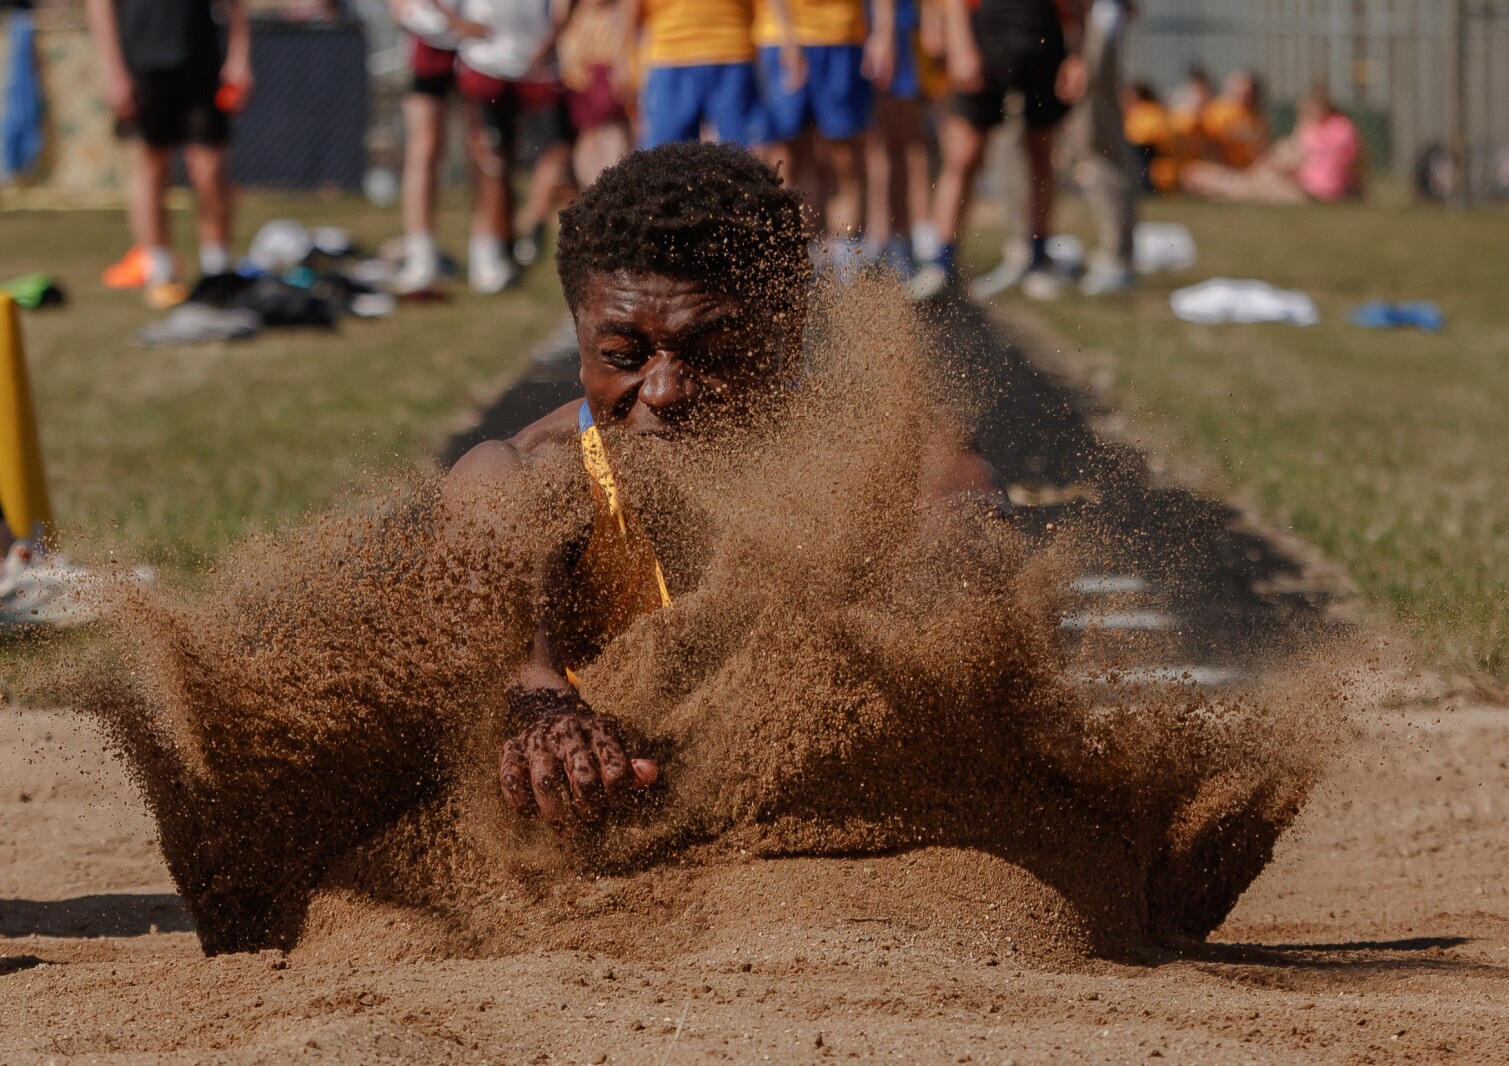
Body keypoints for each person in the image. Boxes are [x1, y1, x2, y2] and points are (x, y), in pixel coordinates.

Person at [441, 142, 1000, 830]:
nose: (665, 391)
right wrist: (544, 717)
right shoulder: (522, 477)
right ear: (582, 341)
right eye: (622, 357)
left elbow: (971, 576)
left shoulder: (899, 451)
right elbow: (510, 669)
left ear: (786, 335)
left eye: (714, 356)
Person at [911, 0, 1085, 301]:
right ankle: (941, 262)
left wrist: (1076, 55)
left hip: (1043, 33)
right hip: (987, 30)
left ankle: (1038, 260)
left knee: (1041, 153)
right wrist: (961, 46)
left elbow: (1079, 6)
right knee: (963, 155)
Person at [88, 0, 252, 309]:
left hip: (201, 57)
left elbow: (236, 5)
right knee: (150, 166)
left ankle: (217, 271)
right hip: (142, 59)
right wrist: (113, 70)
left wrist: (240, 55)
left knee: (210, 169)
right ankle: (160, 271)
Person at [754, 0, 895, 252]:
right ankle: (794, 253)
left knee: (845, 158)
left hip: (843, 37)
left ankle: (843, 261)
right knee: (786, 159)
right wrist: (788, 39)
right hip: (780, 38)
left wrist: (884, 34)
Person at [454, 0, 576, 291]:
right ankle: (491, 251)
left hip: (536, 60)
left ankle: (531, 222)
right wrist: (455, 24)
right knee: (493, 161)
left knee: (558, 149)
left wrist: (551, 39)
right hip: (486, 61)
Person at [388, 0, 492, 294]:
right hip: (429, 40)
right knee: (424, 147)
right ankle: (421, 254)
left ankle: (486, 251)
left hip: (475, 41)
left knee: (481, 148)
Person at [628, 0, 793, 151]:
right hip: (670, 60)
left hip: (734, 56)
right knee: (662, 162)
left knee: (746, 158)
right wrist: (626, 60)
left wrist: (789, 42)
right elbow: (629, 11)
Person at [1182, 83, 1362, 205]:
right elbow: (1355, 165)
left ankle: (1219, 185)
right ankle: (1222, 185)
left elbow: (1296, 160)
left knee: (1250, 184)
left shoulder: (1314, 130)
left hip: (1307, 189)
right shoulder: (1344, 128)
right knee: (1253, 181)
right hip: (1314, 188)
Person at [861, 0, 930, 278]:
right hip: (870, 30)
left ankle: (914, 243)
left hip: (894, 33)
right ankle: (883, 240)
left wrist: (885, 35)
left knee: (905, 145)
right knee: (879, 147)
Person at [556, 0, 631, 186]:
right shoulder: (576, 16)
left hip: (612, 72)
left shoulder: (620, 13)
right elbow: (563, 31)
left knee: (614, 133)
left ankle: (611, 185)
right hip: (585, 72)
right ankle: (591, 187)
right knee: (591, 135)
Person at [1199, 69, 1269, 170]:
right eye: (1241, 86)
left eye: (1248, 88)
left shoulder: (1256, 117)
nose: (1245, 91)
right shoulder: (1217, 111)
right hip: (1224, 169)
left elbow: (1261, 145)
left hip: (1250, 169)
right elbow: (1208, 140)